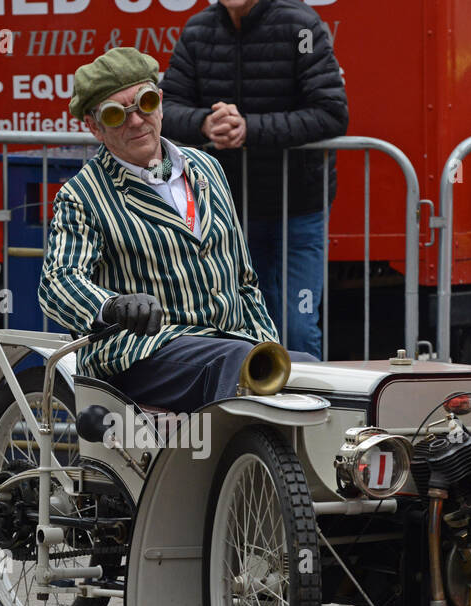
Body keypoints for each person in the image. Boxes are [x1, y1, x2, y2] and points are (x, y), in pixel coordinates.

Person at [39, 48, 313, 413]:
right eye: (116, 114)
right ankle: (226, 451)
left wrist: (269, 352)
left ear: (161, 102)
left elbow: (244, 280)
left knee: (312, 371)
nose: (136, 121)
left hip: (228, 343)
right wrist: (112, 305)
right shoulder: (82, 194)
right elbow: (58, 282)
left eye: (145, 102)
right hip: (140, 353)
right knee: (234, 359)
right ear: (94, 127)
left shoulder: (207, 167)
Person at [160, 0, 348, 359]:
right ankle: (252, 397)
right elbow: (166, 110)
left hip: (298, 209)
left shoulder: (302, 26)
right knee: (244, 326)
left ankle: (305, 394)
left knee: (298, 325)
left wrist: (249, 129)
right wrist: (205, 123)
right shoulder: (197, 30)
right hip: (228, 213)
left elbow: (331, 112)